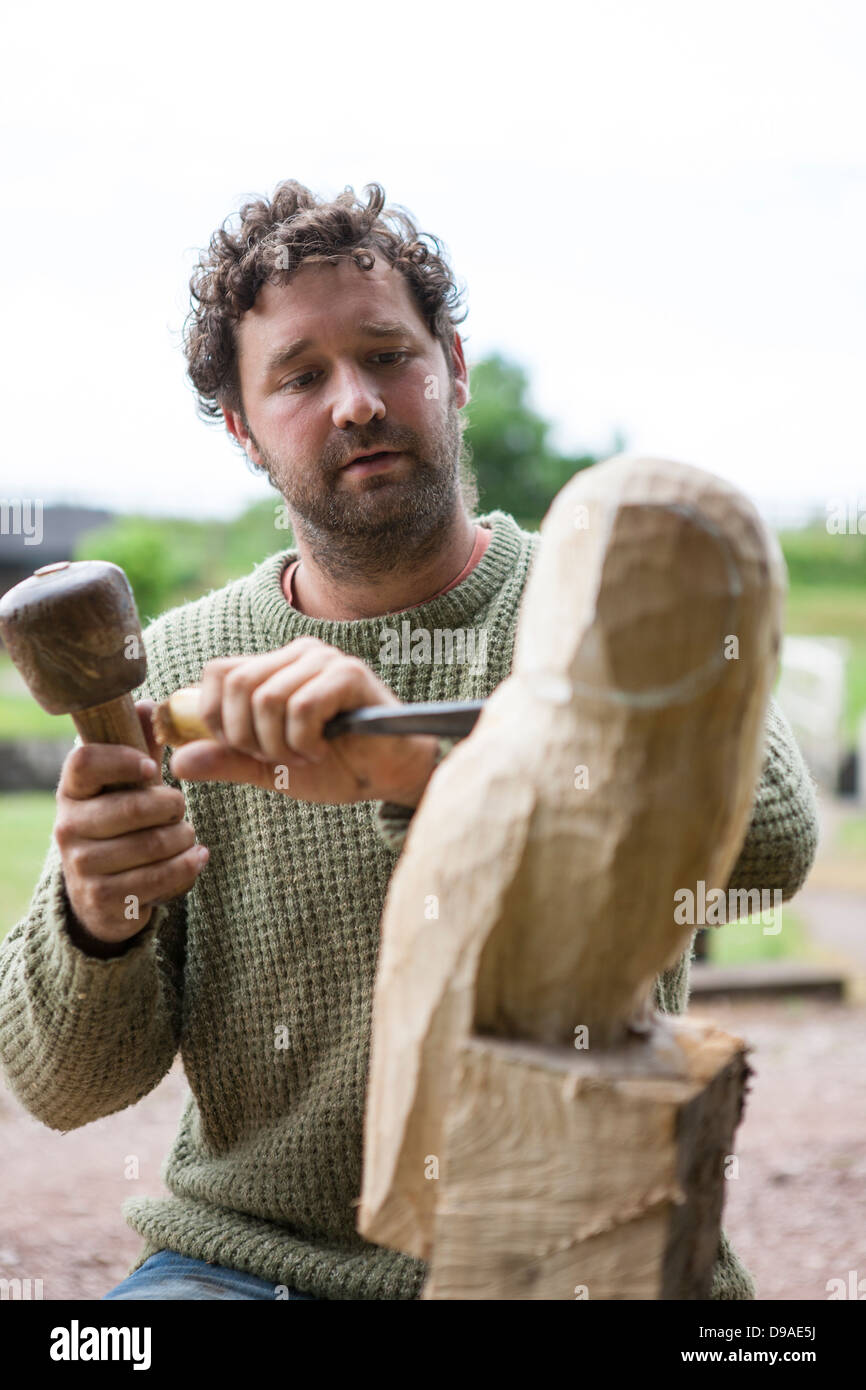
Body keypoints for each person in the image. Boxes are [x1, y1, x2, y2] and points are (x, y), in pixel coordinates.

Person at [0, 181, 818, 1301]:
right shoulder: (180, 674)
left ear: (454, 367)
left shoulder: (598, 597)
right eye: (298, 376)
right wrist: (97, 918)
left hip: (568, 1228)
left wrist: (424, 774)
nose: (356, 401)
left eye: (387, 355)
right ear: (240, 429)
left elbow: (767, 842)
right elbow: (63, 1083)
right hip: (243, 1264)